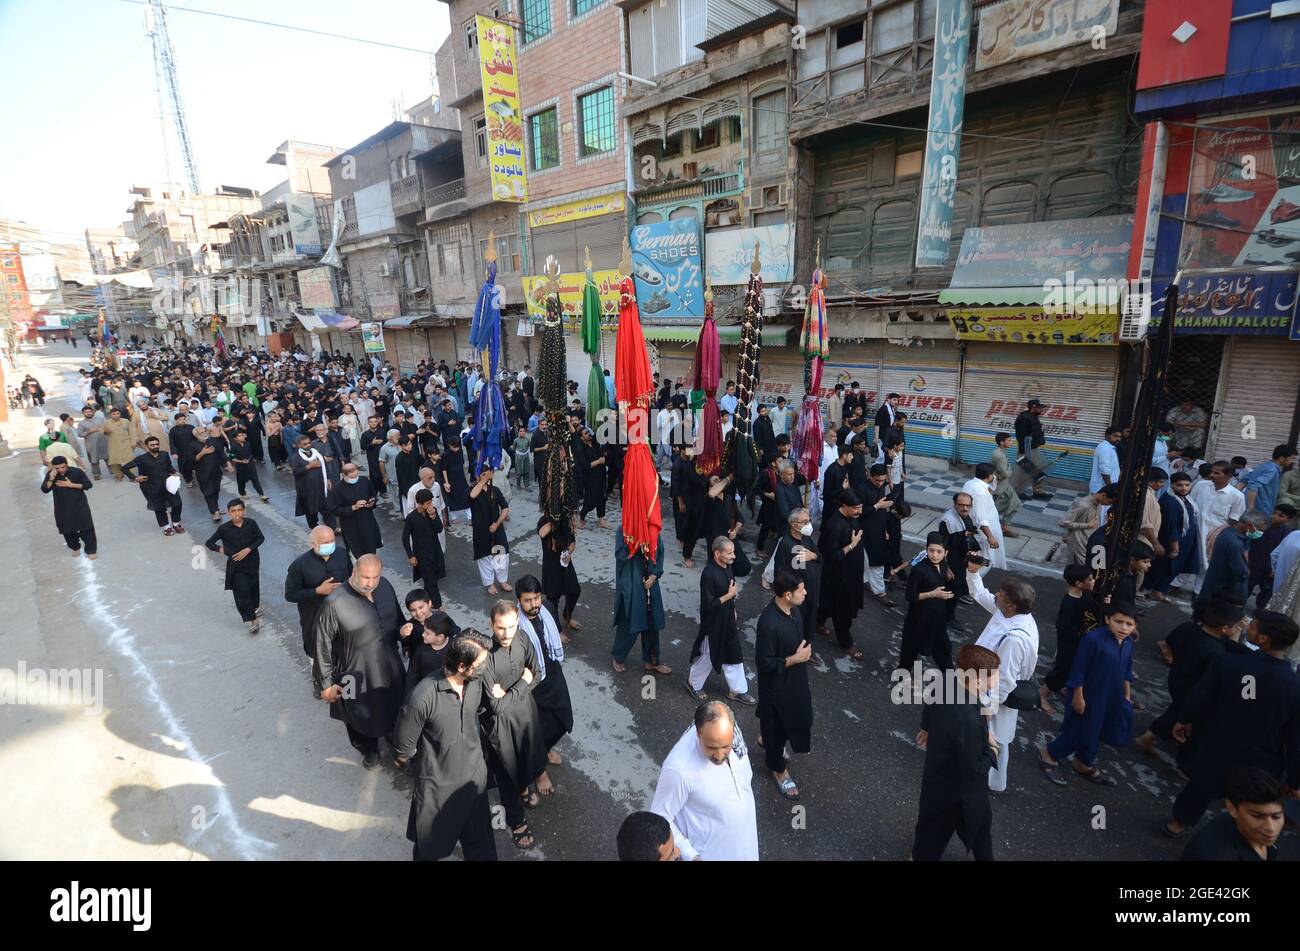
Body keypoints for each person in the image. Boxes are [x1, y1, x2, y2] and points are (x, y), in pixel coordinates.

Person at [1163, 612, 1300, 838]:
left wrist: (1185, 720)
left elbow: (1200, 697)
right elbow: (1295, 740)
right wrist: (1294, 779)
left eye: (1253, 627)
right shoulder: (1294, 688)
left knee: (1200, 787)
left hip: (1216, 742)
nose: (1248, 628)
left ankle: (1178, 823)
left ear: (1263, 638)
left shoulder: (1228, 662)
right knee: (1251, 803)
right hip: (1262, 759)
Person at [393, 633, 498, 861]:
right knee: (430, 849)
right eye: (480, 664)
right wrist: (431, 769)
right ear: (462, 666)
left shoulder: (475, 682)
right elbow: (402, 751)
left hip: (474, 782)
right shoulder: (422, 697)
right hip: (438, 792)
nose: (485, 667)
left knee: (482, 847)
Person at [312, 554, 405, 770]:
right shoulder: (334, 603)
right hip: (351, 675)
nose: (370, 583)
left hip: (389, 665)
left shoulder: (385, 587)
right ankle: (368, 750)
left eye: (375, 577)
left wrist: (405, 636)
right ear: (354, 572)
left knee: (395, 706)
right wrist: (325, 685)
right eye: (365, 577)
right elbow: (322, 645)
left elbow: (397, 618)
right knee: (356, 716)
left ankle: (397, 746)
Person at [911, 644, 1002, 861]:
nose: (998, 680)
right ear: (978, 680)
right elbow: (974, 769)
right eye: (995, 676)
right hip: (958, 791)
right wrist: (993, 749)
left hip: (937, 776)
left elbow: (930, 703)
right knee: (978, 825)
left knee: (930, 826)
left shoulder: (948, 681)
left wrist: (926, 727)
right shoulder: (969, 721)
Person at [1037, 601, 1138, 787]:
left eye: (1129, 624)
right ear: (1108, 619)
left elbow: (1127, 671)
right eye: (1119, 621)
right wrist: (1077, 696)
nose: (1124, 628)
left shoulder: (1128, 643)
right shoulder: (1093, 640)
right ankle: (1049, 753)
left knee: (1098, 731)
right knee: (1080, 730)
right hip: (1089, 696)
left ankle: (1083, 762)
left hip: (1112, 697)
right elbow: (1078, 670)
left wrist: (1126, 696)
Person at [1135, 598, 1245, 760]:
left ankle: (1149, 738)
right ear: (1224, 628)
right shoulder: (1216, 651)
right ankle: (1147, 738)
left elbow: (1169, 643)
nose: (1238, 630)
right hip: (1194, 687)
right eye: (1236, 627)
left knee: (1176, 709)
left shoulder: (1189, 628)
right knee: (1180, 713)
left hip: (1177, 677)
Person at [651, 701, 758, 861]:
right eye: (711, 748)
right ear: (698, 733)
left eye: (725, 746)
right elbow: (659, 818)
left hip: (747, 848)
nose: (720, 755)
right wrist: (691, 856)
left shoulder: (732, 732)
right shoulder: (678, 769)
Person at [479, 599, 547, 851]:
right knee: (507, 772)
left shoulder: (522, 638)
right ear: (491, 625)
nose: (506, 634)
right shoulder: (484, 656)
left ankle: (524, 788)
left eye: (511, 627)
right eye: (500, 628)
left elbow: (537, 673)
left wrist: (507, 693)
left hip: (525, 715)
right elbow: (495, 708)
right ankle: (516, 821)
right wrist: (521, 683)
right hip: (499, 727)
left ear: (517, 622)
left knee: (526, 759)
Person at [967, 561, 1039, 793]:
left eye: (1001, 594)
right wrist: (972, 572)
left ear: (1011, 605)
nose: (996, 594)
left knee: (994, 738)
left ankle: (991, 782)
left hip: (993, 694)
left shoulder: (1015, 639)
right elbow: (980, 593)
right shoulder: (1006, 613)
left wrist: (987, 705)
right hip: (979, 682)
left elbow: (1006, 679)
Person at [755, 570, 814, 801]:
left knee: (803, 717)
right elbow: (764, 663)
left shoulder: (794, 610)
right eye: (801, 590)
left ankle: (766, 739)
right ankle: (778, 768)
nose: (806, 593)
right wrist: (794, 659)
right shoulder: (769, 623)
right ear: (787, 595)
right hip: (777, 686)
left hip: (795, 679)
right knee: (778, 725)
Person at [515, 575, 574, 781]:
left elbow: (554, 631)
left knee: (562, 720)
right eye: (528, 600)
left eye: (536, 598)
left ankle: (545, 749)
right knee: (536, 730)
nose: (534, 604)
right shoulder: (513, 624)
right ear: (519, 601)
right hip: (531, 684)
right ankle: (539, 772)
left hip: (553, 674)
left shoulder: (548, 606)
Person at [687, 537, 753, 705]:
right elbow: (708, 606)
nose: (733, 556)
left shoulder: (728, 567)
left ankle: (737, 691)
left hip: (728, 619)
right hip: (714, 624)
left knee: (734, 653)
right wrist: (729, 597)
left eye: (733, 552)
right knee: (711, 655)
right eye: (729, 553)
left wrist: (733, 609)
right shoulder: (708, 574)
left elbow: (730, 591)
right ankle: (693, 684)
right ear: (717, 554)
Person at [1181, 768, 1294, 861]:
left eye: (1276, 816)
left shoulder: (1239, 823)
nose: (1271, 828)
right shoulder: (1215, 856)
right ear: (1232, 809)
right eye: (1257, 816)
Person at [1038, 564, 1098, 713]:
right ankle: (1042, 694)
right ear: (1078, 583)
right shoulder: (1070, 602)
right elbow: (1063, 626)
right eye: (1090, 579)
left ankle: (1065, 686)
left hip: (1077, 642)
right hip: (1069, 644)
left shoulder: (1083, 594)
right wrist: (1079, 635)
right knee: (1063, 670)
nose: (1093, 581)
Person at [284, 526, 353, 656]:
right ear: (313, 544)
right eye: (326, 542)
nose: (331, 545)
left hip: (342, 612)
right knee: (317, 651)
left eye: (332, 540)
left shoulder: (342, 553)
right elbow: (290, 595)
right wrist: (317, 591)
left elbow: (351, 578)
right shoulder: (299, 565)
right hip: (315, 617)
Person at [817, 490, 866, 661]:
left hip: (851, 573)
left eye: (860, 508)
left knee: (827, 604)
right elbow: (831, 555)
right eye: (855, 508)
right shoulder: (835, 525)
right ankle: (847, 643)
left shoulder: (851, 518)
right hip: (839, 577)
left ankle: (817, 622)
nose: (859, 512)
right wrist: (852, 546)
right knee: (842, 612)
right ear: (844, 506)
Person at [204, 498, 265, 634]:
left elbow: (260, 538)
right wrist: (221, 550)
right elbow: (209, 543)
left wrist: (248, 549)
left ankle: (255, 607)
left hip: (253, 562)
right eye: (233, 511)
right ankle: (253, 620)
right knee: (241, 593)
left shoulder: (251, 523)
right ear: (229, 513)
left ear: (244, 511)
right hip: (236, 567)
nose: (236, 514)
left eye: (239, 510)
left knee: (253, 587)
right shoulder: (224, 529)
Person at [898, 533, 956, 676]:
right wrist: (932, 594)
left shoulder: (943, 565)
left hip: (937, 616)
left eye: (939, 552)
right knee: (910, 650)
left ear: (945, 553)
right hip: (918, 617)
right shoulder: (919, 569)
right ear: (926, 549)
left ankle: (951, 677)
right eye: (931, 551)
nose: (934, 555)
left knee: (943, 647)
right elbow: (910, 596)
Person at [612, 533, 669, 674]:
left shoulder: (653, 528)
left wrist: (654, 575)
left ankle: (652, 660)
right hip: (631, 581)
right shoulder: (624, 529)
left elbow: (659, 552)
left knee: (652, 621)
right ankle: (618, 657)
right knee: (630, 618)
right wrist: (636, 541)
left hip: (650, 581)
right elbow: (620, 555)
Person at [1197, 513, 1267, 616]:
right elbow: (1241, 573)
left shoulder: (1228, 532)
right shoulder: (1235, 544)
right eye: (1259, 530)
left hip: (1216, 586)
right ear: (1249, 525)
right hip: (1224, 592)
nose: (1260, 533)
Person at [1145, 471, 1201, 601]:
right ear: (1173, 485)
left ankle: (1158, 591)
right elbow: (1172, 527)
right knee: (1165, 568)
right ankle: (1149, 590)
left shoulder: (1185, 498)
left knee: (1174, 568)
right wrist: (1175, 548)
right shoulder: (1171, 502)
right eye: (1179, 485)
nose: (1184, 488)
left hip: (1184, 541)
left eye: (1187, 485)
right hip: (1172, 542)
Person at [771, 507, 822, 645]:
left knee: (810, 618)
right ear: (794, 525)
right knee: (797, 620)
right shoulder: (785, 543)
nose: (809, 524)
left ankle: (807, 644)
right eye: (805, 521)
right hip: (795, 593)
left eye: (809, 520)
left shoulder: (807, 539)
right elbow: (780, 571)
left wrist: (813, 555)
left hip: (811, 589)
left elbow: (820, 556)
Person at [120, 435, 184, 536]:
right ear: (147, 446)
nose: (155, 446)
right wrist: (135, 478)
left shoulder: (164, 454)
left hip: (168, 484)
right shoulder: (141, 458)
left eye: (157, 444)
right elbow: (124, 468)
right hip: (152, 486)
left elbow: (168, 466)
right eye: (152, 445)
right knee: (159, 508)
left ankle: (176, 523)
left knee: (177, 503)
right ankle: (166, 527)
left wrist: (174, 472)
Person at [41, 456, 96, 559]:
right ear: (54, 467)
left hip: (80, 506)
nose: (61, 470)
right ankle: (75, 547)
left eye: (63, 467)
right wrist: (51, 478)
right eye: (57, 468)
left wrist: (71, 485)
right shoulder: (51, 475)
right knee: (67, 530)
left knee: (87, 528)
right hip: (62, 508)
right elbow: (45, 489)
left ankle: (91, 550)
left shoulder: (77, 472)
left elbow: (88, 485)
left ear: (67, 464)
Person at [399, 593, 454, 694]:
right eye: (413, 610)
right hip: (422, 665)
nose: (418, 613)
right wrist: (403, 633)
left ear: (429, 603)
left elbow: (453, 631)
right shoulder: (409, 627)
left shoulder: (443, 618)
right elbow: (404, 642)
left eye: (421, 607)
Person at [468, 467, 511, 595]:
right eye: (482, 474)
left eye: (487, 473)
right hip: (481, 530)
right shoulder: (472, 490)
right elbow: (472, 495)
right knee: (484, 556)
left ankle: (502, 580)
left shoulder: (495, 490)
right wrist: (483, 480)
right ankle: (489, 583)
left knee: (501, 554)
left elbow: (505, 508)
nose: (486, 476)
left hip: (496, 528)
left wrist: (497, 524)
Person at [327, 460, 383, 557]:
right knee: (356, 553)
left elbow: (373, 494)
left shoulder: (364, 481)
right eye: (352, 477)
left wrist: (372, 503)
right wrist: (353, 507)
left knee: (372, 550)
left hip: (367, 521)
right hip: (351, 526)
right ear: (344, 475)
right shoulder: (337, 489)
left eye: (356, 475)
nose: (355, 478)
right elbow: (335, 510)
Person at [538, 512, 581, 635]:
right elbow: (542, 533)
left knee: (574, 590)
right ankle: (556, 630)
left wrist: (568, 552)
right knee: (553, 600)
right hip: (551, 565)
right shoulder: (544, 520)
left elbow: (572, 543)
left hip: (565, 562)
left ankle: (567, 616)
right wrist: (555, 520)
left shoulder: (567, 520)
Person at [961, 463, 1006, 570]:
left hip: (982, 528)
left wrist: (993, 483)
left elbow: (988, 491)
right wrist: (990, 537)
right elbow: (980, 517)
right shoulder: (980, 493)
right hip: (985, 532)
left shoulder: (970, 483)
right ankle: (973, 579)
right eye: (993, 474)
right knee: (984, 561)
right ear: (989, 476)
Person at [1010, 398, 1052, 501]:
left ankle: (1038, 491)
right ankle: (1017, 492)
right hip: (1026, 450)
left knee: (1040, 470)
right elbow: (1021, 437)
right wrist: (1025, 453)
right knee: (1022, 472)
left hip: (1034, 449)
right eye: (1039, 407)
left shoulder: (1034, 416)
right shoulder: (1024, 418)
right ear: (1033, 407)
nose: (1042, 410)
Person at [1059, 485, 1110, 566]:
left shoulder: (1099, 504)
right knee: (1079, 573)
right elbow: (1063, 522)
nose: (1108, 505)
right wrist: (1087, 525)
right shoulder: (1083, 504)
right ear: (1103, 495)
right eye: (1109, 502)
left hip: (1089, 544)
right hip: (1078, 546)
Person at [290, 433, 332, 529]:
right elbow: (296, 472)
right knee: (311, 511)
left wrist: (328, 479)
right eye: (305, 444)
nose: (308, 445)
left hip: (321, 486)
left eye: (309, 443)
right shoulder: (296, 457)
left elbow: (324, 465)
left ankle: (332, 527)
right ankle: (315, 529)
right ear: (299, 445)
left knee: (326, 508)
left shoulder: (316, 453)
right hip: (307, 489)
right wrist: (309, 466)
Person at [1245, 444, 1298, 516]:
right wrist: (1250, 507)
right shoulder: (1272, 470)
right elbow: (1253, 486)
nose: (1292, 461)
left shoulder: (1266, 465)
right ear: (1282, 458)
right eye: (1291, 458)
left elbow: (1244, 479)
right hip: (1260, 510)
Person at [191, 425, 229, 523]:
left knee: (215, 490)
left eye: (205, 431)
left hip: (216, 472)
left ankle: (216, 507)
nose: (204, 433)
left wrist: (227, 464)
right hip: (203, 474)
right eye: (201, 433)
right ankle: (215, 512)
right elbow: (192, 460)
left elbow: (221, 453)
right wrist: (203, 452)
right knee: (208, 493)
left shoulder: (213, 441)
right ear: (196, 435)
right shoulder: (193, 445)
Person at [988, 432, 1022, 537]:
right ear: (1002, 442)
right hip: (999, 487)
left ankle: (1004, 526)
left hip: (1005, 484)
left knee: (1015, 504)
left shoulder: (1002, 452)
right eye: (1008, 440)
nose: (1011, 442)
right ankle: (994, 528)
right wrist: (1011, 468)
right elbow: (1006, 473)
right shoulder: (998, 455)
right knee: (995, 509)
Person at [229, 430, 269, 504]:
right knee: (241, 482)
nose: (242, 437)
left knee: (255, 480)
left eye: (242, 435)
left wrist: (249, 459)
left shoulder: (247, 444)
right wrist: (241, 461)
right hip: (241, 467)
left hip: (250, 465)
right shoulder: (233, 447)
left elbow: (251, 453)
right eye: (239, 436)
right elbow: (232, 458)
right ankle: (242, 493)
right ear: (235, 438)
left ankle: (261, 495)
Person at [75, 405, 109, 480]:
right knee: (94, 459)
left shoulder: (100, 419)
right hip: (91, 445)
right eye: (86, 412)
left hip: (103, 442)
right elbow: (79, 434)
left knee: (108, 457)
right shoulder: (81, 423)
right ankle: (96, 473)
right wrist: (89, 431)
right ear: (83, 413)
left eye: (90, 411)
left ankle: (113, 470)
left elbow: (107, 427)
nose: (88, 413)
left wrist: (105, 431)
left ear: (93, 412)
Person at [102, 406, 135, 481]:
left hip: (126, 444)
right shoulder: (106, 423)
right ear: (110, 415)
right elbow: (101, 432)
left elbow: (132, 432)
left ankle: (132, 476)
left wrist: (133, 442)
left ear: (120, 414)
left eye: (117, 413)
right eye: (114, 414)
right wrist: (105, 432)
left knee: (130, 460)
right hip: (114, 445)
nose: (116, 415)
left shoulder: (126, 421)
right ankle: (119, 475)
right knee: (115, 461)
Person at [1088, 426, 1123, 493]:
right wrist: (1110, 488)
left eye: (1120, 437)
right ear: (1107, 436)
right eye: (1115, 436)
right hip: (1102, 488)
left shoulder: (1110, 447)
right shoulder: (1105, 448)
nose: (1118, 439)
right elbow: (1105, 470)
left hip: (1105, 487)